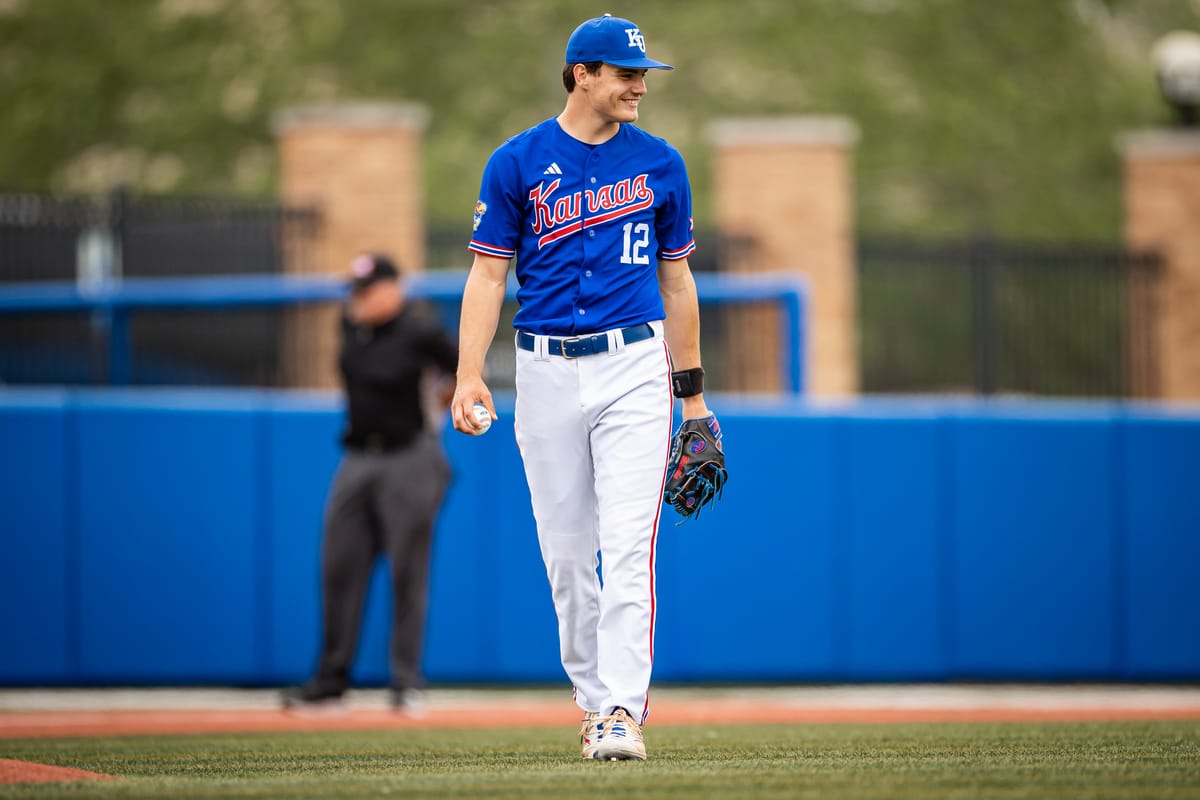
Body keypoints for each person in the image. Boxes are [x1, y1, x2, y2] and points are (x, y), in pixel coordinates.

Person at [451, 14, 720, 761]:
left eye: (642, 74)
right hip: (542, 368)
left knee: (628, 548)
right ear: (581, 74)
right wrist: (469, 372)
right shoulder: (517, 160)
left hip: (634, 365)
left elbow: (677, 281)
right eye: (625, 73)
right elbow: (488, 275)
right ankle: (594, 701)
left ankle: (622, 712)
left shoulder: (661, 162)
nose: (639, 86)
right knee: (567, 558)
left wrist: (693, 397)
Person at [282, 252, 458, 714]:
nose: (359, 299)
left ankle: (406, 682)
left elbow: (463, 368)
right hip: (358, 456)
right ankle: (330, 680)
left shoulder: (419, 330)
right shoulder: (351, 326)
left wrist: (443, 402)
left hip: (410, 456)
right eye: (356, 291)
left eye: (369, 290)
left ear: (394, 289)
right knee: (339, 567)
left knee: (408, 573)